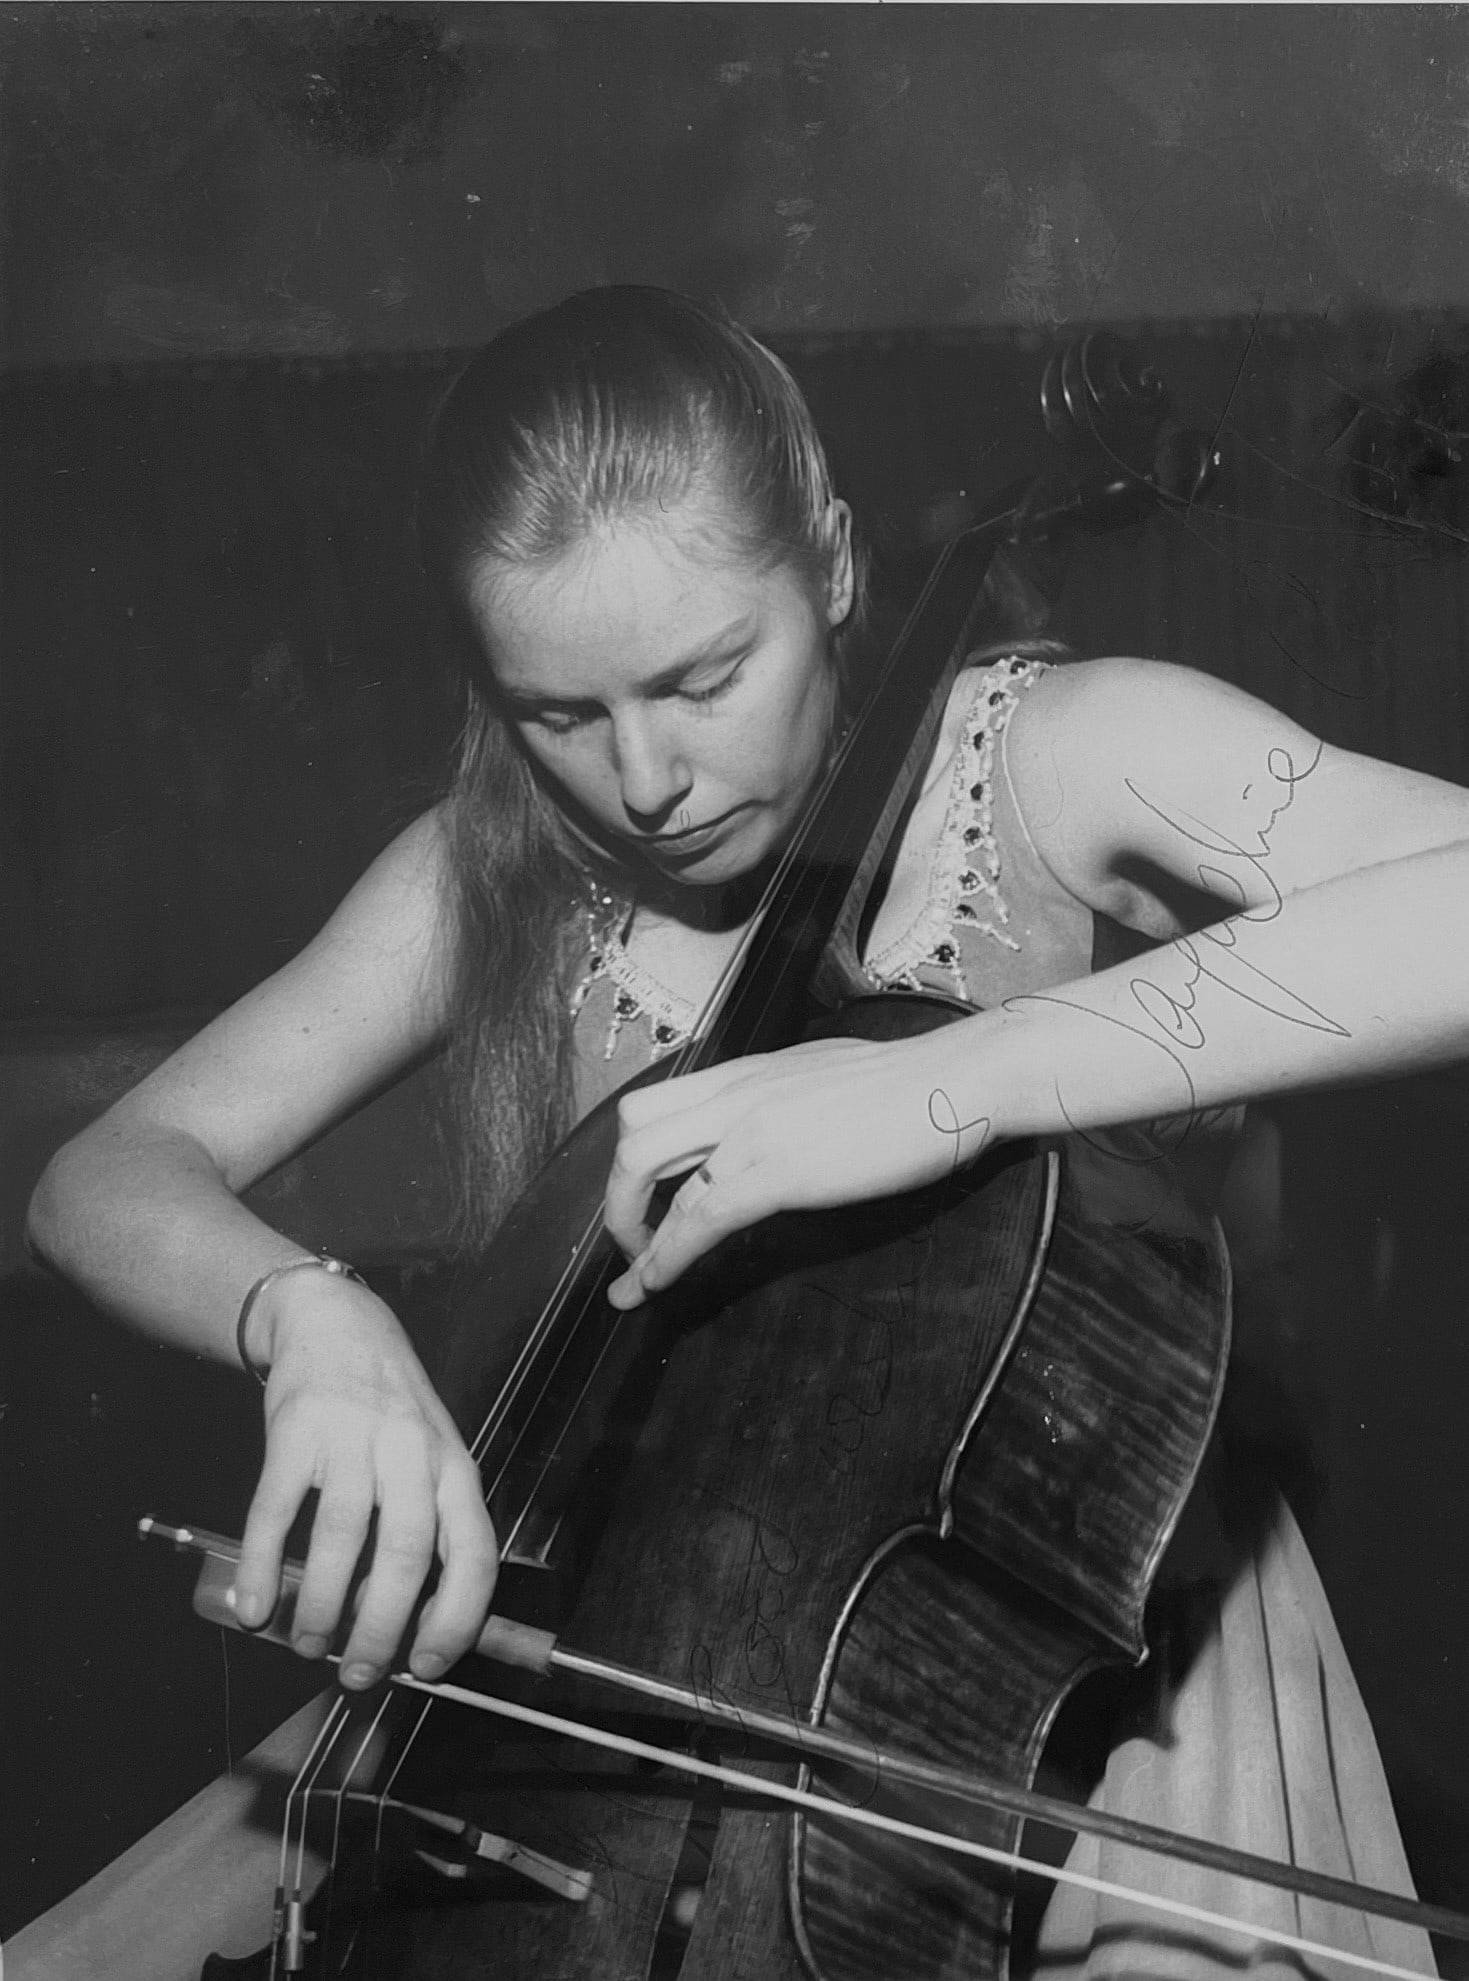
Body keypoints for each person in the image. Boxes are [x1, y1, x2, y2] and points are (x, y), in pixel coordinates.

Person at [27, 285, 1469, 1977]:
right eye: (560, 714)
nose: (645, 778)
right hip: (630, 1694)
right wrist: (308, 1320)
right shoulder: (492, 871)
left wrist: (951, 1076)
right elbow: (99, 1176)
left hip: (1085, 1676)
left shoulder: (1057, 756)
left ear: (835, 567)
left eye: (705, 677)